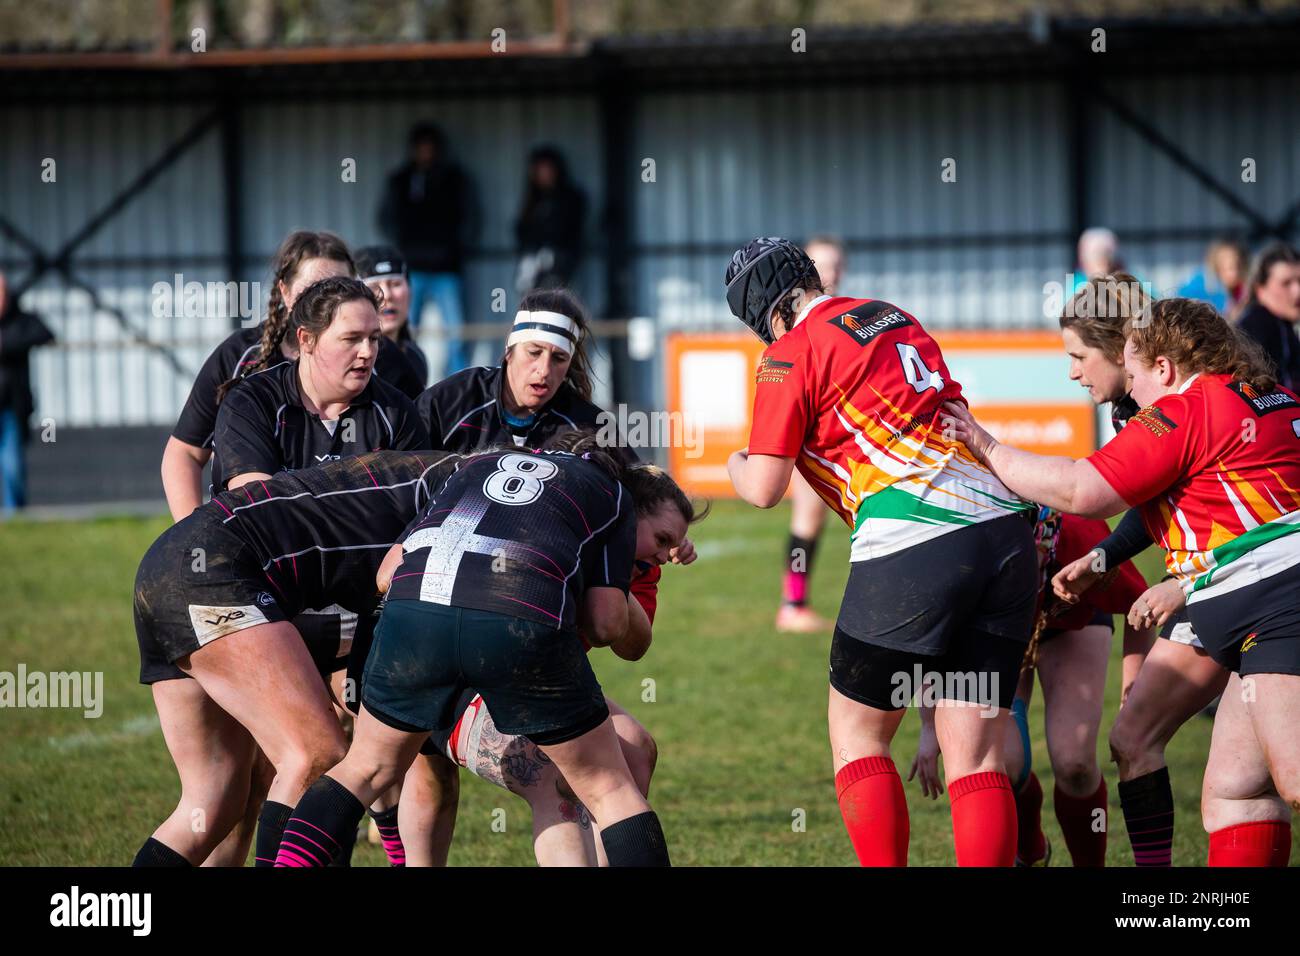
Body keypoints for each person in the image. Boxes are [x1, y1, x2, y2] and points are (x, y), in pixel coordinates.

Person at [943, 297, 1300, 867]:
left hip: (1276, 601)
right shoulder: (1263, 397)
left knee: (1294, 778)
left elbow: (1081, 491)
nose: (1133, 393)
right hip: (1230, 598)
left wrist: (985, 445)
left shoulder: (1187, 406)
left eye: (1134, 375)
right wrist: (1166, 575)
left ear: (1164, 368)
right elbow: (1251, 514)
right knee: (1206, 775)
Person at [723, 237, 1039, 866]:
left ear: (770, 313)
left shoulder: (788, 353)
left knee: (859, 738)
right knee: (976, 756)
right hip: (1004, 533)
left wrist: (736, 461)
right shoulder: (893, 315)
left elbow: (763, 488)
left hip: (915, 542)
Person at [274, 439, 683, 867]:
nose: (666, 554)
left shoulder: (476, 466)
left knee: (364, 770)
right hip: (512, 626)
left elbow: (386, 574)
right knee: (605, 786)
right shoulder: (610, 495)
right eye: (662, 539)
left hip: (414, 623)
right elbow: (606, 625)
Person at [131, 449, 465, 866]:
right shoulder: (464, 495)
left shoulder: (441, 476)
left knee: (211, 801)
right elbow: (393, 584)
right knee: (314, 752)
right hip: (212, 572)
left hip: (167, 564)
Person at [421, 459, 705, 866]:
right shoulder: (564, 532)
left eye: (670, 544)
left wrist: (617, 572)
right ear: (624, 516)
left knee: (636, 748)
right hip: (459, 674)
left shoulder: (633, 567)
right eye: (660, 538)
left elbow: (631, 645)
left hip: (537, 681)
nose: (663, 555)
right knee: (557, 781)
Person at [1048, 274, 1229, 867]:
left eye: (1079, 357)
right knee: (1144, 741)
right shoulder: (1137, 407)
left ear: (1120, 348)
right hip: (1221, 581)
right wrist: (1105, 556)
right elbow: (1149, 504)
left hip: (1247, 585)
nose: (1072, 373)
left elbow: (1085, 492)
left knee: (1263, 772)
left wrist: (986, 448)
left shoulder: (1173, 407)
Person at [912, 508, 1153, 868]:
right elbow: (932, 631)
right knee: (997, 763)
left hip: (1070, 622)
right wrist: (930, 726)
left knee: (1075, 763)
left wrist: (1132, 701)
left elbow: (1141, 605)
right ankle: (1030, 851)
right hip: (998, 629)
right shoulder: (961, 544)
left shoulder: (1079, 537)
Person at [161, 230, 420, 523]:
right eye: (314, 287)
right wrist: (193, 536)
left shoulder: (387, 365)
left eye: (340, 286)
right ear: (284, 291)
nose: (326, 297)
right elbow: (185, 453)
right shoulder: (243, 362)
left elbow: (416, 479)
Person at [211, 276, 427, 493]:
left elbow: (420, 504)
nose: (367, 352)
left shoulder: (397, 412)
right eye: (351, 338)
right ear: (306, 339)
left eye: (373, 338)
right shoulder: (252, 403)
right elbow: (257, 508)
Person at [416, 287, 626, 456]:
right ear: (509, 351)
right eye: (534, 352)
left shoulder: (587, 427)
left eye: (559, 358)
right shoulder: (451, 402)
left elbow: (641, 492)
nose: (544, 370)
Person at [775, 237, 844, 633]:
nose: (830, 272)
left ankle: (796, 603)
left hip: (834, 434)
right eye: (822, 265)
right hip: (811, 432)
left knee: (815, 519)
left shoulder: (836, 312)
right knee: (807, 516)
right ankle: (792, 605)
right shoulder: (791, 318)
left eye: (835, 265)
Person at [378, 122, 472, 374]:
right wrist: (405, 246)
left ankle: (460, 391)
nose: (426, 153)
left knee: (456, 336)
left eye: (430, 148)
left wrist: (455, 246)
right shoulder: (401, 180)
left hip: (446, 268)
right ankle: (404, 382)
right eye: (422, 148)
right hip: (413, 268)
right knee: (402, 332)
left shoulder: (453, 179)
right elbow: (385, 218)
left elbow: (470, 217)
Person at [0, 269, 54, 515]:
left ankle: (15, 516)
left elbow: (45, 334)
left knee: (12, 464)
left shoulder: (21, 321)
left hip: (11, 405)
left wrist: (7, 345)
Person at [514, 145, 586, 294]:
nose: (543, 174)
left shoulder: (571, 198)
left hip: (561, 262)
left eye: (547, 169)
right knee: (526, 281)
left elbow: (571, 232)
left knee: (556, 298)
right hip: (533, 260)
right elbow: (521, 231)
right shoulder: (533, 200)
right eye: (539, 170)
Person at [355, 244, 428, 389]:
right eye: (374, 286)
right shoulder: (354, 362)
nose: (387, 295)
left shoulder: (416, 356)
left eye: (395, 284)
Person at [1236, 243, 1300, 391]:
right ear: (1260, 289)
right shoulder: (1254, 332)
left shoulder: (1282, 325)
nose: (1297, 291)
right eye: (1286, 283)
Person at [1178, 238, 1248, 320]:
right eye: (1231, 268)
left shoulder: (1242, 290)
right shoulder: (1203, 289)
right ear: (1218, 268)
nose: (1237, 273)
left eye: (1239, 267)